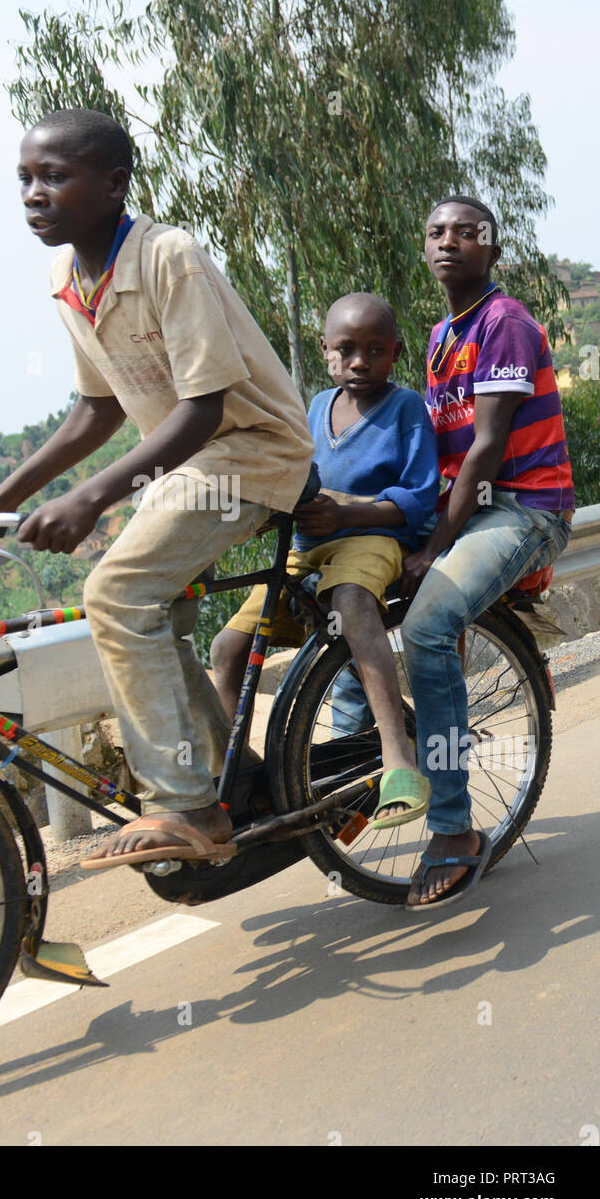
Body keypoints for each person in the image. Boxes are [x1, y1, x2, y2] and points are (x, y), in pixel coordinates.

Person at [0, 108, 314, 868]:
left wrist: (92, 499)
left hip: (249, 452)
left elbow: (202, 409)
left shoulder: (167, 258)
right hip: (190, 463)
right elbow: (98, 407)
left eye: (54, 176)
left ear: (115, 183)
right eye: (24, 178)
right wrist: (0, 498)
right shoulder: (67, 278)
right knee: (158, 612)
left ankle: (185, 806)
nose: (33, 193)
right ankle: (234, 782)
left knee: (117, 591)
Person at [394, 196, 574, 908]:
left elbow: (489, 447)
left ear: (492, 253)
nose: (449, 243)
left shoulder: (503, 324)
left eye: (468, 234)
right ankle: (354, 762)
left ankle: (453, 829)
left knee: (427, 625)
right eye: (436, 232)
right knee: (353, 593)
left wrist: (437, 542)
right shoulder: (443, 334)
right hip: (469, 508)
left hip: (525, 507)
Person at [211, 292, 440, 825]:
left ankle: (397, 760)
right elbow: (296, 477)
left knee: (354, 603)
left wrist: (348, 516)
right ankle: (238, 777)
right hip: (307, 551)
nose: (360, 362)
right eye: (346, 349)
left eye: (376, 350)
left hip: (370, 540)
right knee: (227, 649)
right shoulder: (315, 407)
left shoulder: (406, 409)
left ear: (396, 353)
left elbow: (419, 497)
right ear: (325, 351)